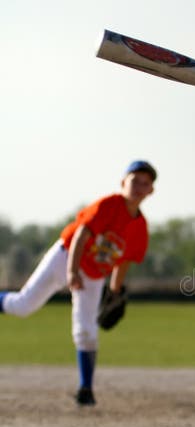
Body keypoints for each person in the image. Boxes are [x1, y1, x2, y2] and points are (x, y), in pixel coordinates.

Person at [0, 160, 157, 406]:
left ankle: (86, 389)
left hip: (94, 274)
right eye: (134, 180)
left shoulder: (140, 228)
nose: (139, 186)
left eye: (145, 183)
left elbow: (123, 262)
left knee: (86, 331)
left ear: (151, 191)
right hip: (66, 257)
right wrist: (72, 272)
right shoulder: (109, 205)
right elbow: (82, 235)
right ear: (123, 182)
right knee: (23, 305)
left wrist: (114, 292)